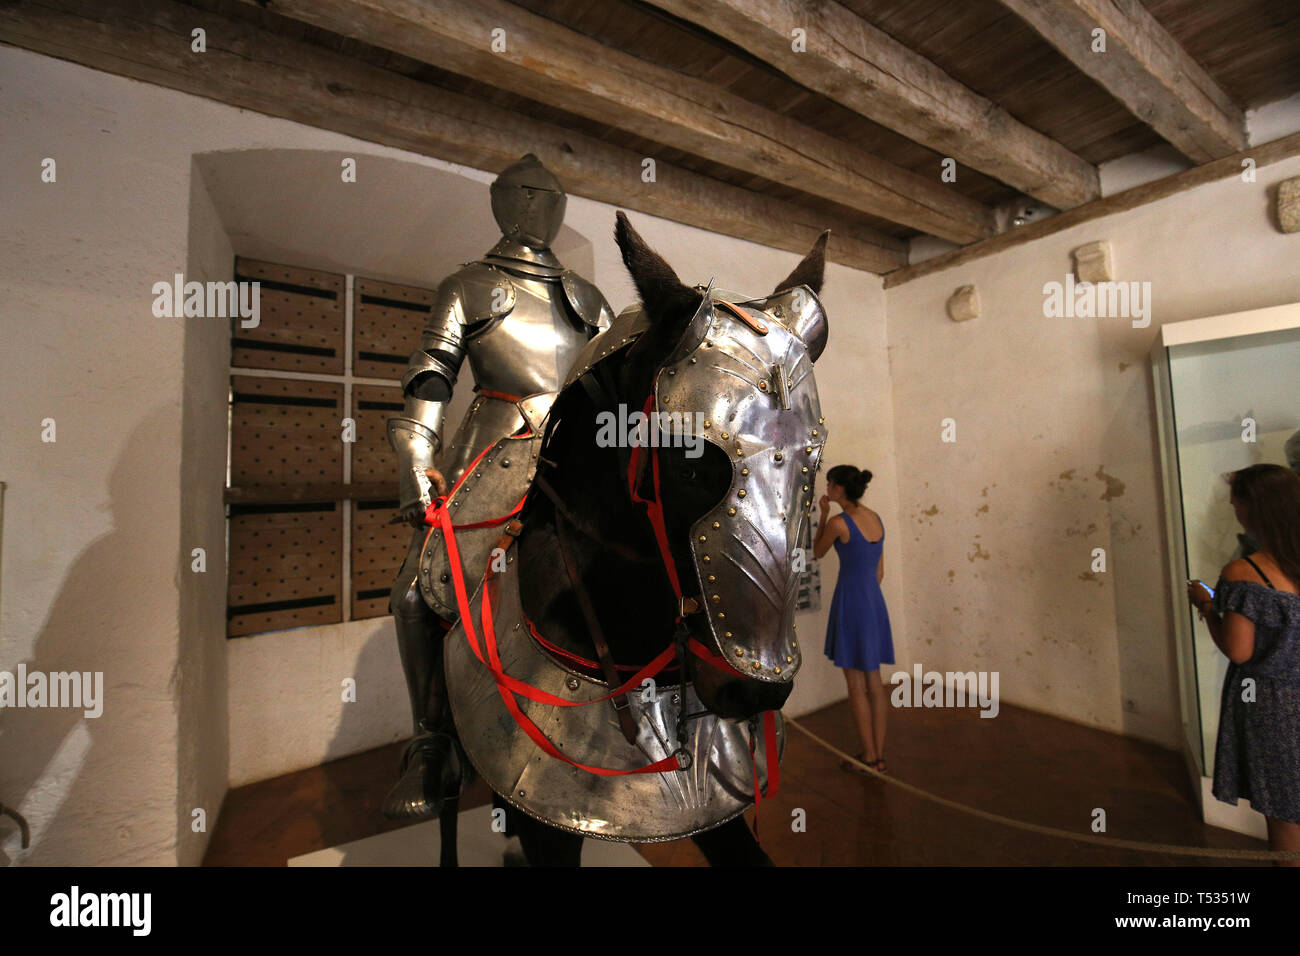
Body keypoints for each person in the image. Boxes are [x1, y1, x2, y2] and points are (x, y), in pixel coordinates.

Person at [384, 154, 614, 820]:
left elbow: (604, 384)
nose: (547, 209)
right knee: (414, 594)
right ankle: (433, 742)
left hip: (573, 453)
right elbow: (430, 379)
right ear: (511, 204)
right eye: (536, 198)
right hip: (490, 444)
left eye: (555, 199)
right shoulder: (467, 284)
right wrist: (415, 462)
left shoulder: (588, 299)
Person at [1188, 463, 1300, 865]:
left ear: (1255, 508)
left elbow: (1239, 651)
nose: (1233, 508)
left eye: (1236, 502)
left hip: (1275, 707)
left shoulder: (1245, 572)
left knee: (1287, 819)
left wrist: (1205, 603)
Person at [815, 464, 893, 774]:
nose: (827, 488)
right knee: (874, 682)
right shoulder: (875, 517)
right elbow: (880, 571)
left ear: (838, 488)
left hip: (850, 604)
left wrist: (821, 515)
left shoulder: (837, 523)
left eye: (829, 484)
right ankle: (878, 756)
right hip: (874, 602)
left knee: (856, 686)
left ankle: (869, 757)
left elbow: (817, 552)